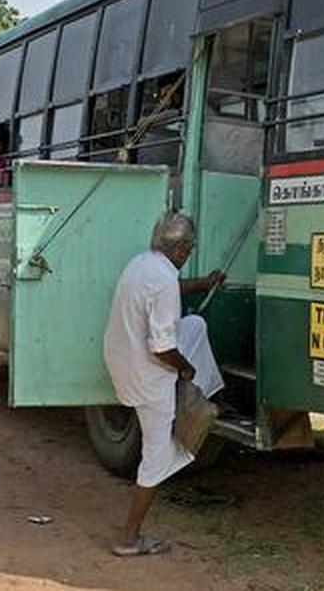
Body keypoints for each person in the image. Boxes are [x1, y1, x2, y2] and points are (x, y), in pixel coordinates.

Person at [103, 212, 226, 557]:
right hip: (146, 372)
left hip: (124, 355)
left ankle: (205, 393)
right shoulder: (163, 280)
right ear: (182, 250)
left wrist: (204, 283)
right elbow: (162, 349)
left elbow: (167, 290)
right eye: (189, 249)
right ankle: (129, 538)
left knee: (195, 326)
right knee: (156, 457)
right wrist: (185, 369)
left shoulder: (143, 264)